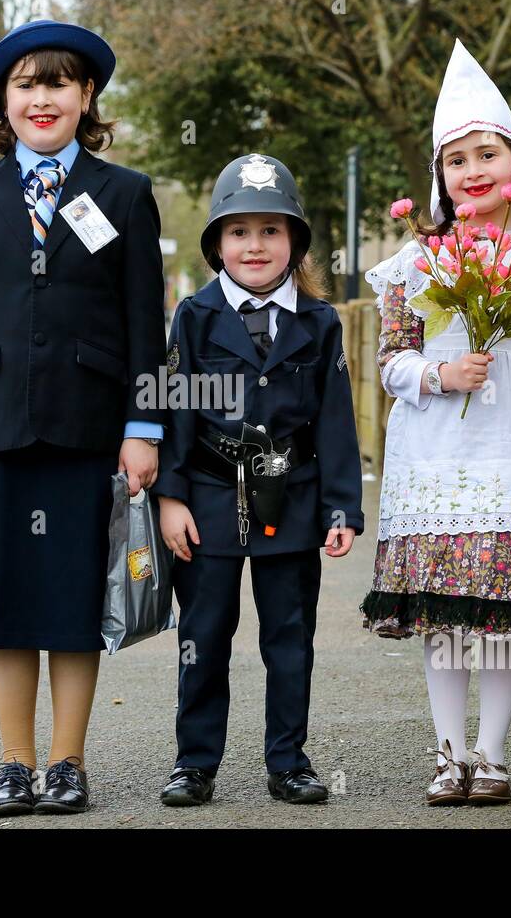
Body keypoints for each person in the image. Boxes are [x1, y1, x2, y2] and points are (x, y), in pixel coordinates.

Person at [0, 20, 166, 816]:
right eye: (26, 85)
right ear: (5, 101)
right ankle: (13, 763)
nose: (43, 97)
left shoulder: (123, 193)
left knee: (69, 601)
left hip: (86, 425)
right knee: (2, 601)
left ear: (85, 96)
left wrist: (144, 427)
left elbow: (144, 322)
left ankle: (67, 762)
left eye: (58, 83)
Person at [361, 39, 511, 806]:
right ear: (439, 177)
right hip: (434, 460)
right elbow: (391, 360)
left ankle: (492, 756)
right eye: (455, 159)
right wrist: (440, 374)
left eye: (485, 153)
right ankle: (448, 753)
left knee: (500, 620)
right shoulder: (415, 265)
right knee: (444, 621)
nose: (472, 170)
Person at [152, 154, 364, 807]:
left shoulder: (319, 323)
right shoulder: (194, 316)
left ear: (294, 242)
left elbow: (334, 419)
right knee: (204, 636)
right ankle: (194, 763)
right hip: (211, 501)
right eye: (239, 231)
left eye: (271, 231)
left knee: (289, 637)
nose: (255, 245)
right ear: (217, 243)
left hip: (292, 500)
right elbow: (176, 409)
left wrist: (341, 508)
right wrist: (170, 497)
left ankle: (289, 761)